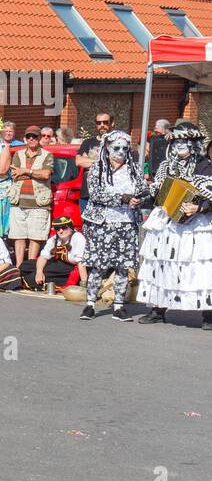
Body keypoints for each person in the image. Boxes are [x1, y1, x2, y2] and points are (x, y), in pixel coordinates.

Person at [136, 121, 212, 329]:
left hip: (196, 227)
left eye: (185, 141)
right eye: (176, 141)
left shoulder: (205, 165)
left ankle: (209, 314)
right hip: (167, 222)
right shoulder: (165, 166)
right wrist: (142, 196)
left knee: (198, 266)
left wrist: (199, 208)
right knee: (163, 263)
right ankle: (158, 310)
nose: (180, 145)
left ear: (194, 143)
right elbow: (157, 191)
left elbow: (210, 194)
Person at [78, 130, 149, 321]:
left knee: (123, 267)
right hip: (103, 223)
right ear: (108, 148)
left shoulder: (134, 169)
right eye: (116, 148)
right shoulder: (97, 169)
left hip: (127, 223)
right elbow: (95, 194)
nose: (121, 151)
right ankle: (90, 304)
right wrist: (123, 198)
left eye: (125, 148)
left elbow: (145, 191)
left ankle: (119, 306)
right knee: (98, 265)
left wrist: (137, 200)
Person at [8, 125, 53, 267]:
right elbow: (15, 174)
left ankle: (30, 268)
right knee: (18, 237)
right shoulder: (18, 154)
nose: (31, 139)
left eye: (34, 136)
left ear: (39, 138)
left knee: (36, 238)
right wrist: (34, 173)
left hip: (39, 203)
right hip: (18, 202)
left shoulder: (47, 155)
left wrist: (25, 171)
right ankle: (18, 268)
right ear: (25, 138)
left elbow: (46, 174)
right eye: (29, 136)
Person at [23, 216, 84, 290]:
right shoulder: (54, 239)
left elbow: (81, 263)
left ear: (71, 227)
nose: (61, 231)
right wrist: (39, 272)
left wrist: (84, 284)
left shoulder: (78, 238)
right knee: (25, 265)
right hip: (57, 263)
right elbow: (43, 257)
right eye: (57, 229)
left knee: (32, 277)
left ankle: (38, 281)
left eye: (64, 228)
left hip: (70, 268)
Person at [74, 110, 115, 215]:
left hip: (108, 194)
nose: (102, 125)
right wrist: (104, 161)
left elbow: (116, 164)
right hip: (87, 194)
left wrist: (88, 161)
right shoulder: (88, 143)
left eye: (105, 122)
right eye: (98, 123)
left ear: (112, 123)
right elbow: (78, 161)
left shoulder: (118, 143)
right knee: (87, 228)